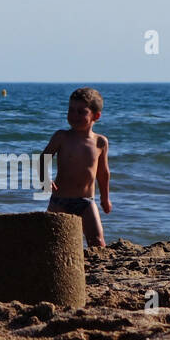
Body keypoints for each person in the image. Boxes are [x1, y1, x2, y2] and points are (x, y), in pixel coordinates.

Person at [40, 87, 111, 247]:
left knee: (98, 242)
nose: (74, 115)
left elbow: (103, 173)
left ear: (96, 116)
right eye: (71, 110)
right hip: (60, 200)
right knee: (52, 242)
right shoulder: (62, 137)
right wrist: (45, 180)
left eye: (81, 112)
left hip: (86, 202)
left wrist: (105, 198)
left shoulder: (100, 142)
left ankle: (94, 269)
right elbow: (43, 158)